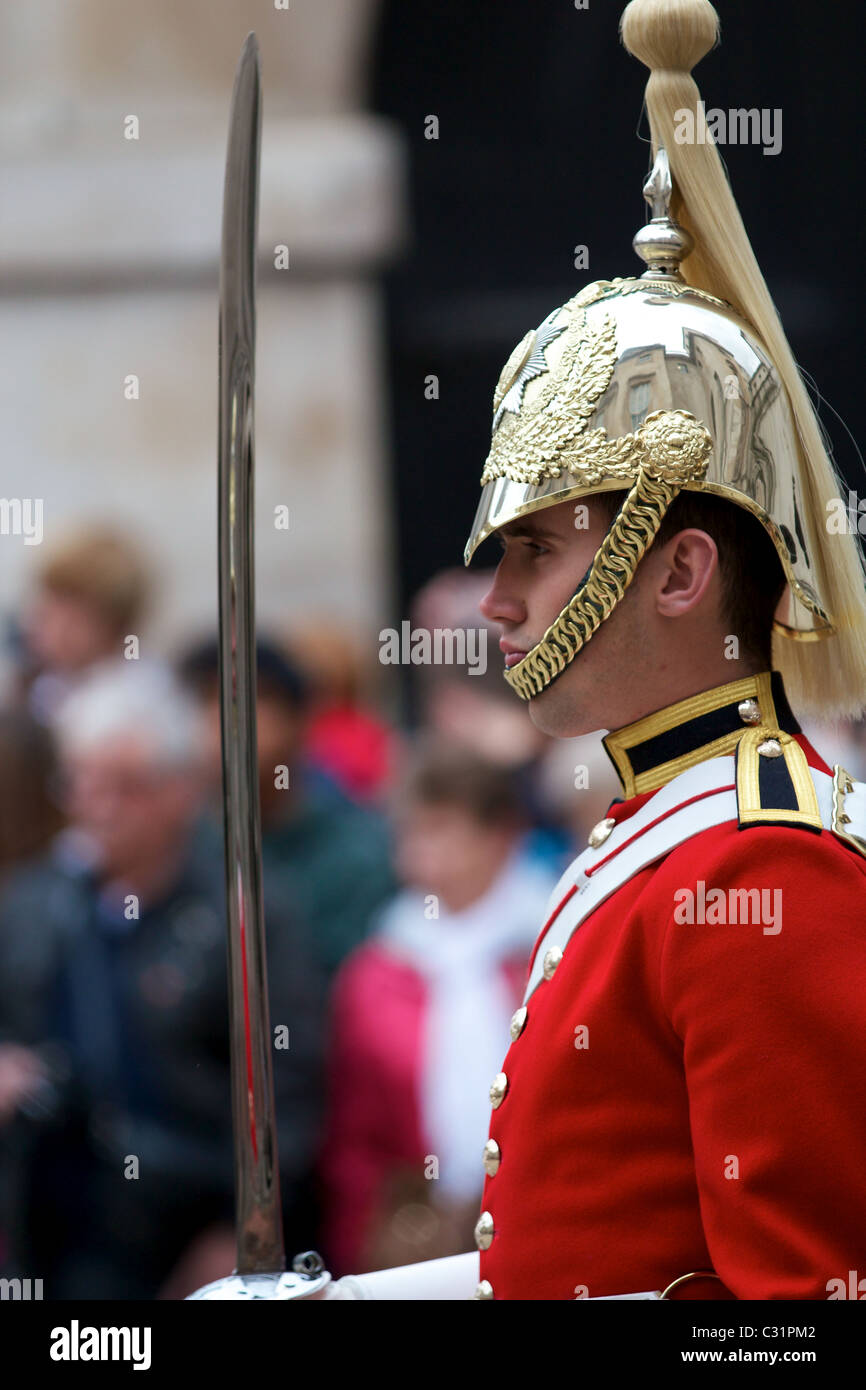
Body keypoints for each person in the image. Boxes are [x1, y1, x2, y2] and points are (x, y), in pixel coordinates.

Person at [305, 0, 866, 1300]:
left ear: (676, 569)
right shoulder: (657, 822)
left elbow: (792, 1309)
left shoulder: (761, 862)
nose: (495, 605)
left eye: (536, 553)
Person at [0, 663, 323, 1297]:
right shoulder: (33, 908)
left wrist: (242, 1240)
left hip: (195, 1234)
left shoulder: (249, 916)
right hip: (56, 1240)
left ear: (181, 790)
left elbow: (294, 1096)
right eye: (82, 783)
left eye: (126, 786)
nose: (98, 807)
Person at [319, 739, 557, 1275]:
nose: (419, 851)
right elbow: (355, 1136)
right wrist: (365, 1246)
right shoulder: (380, 965)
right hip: (419, 1230)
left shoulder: (554, 945)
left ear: (500, 836)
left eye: (441, 828)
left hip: (540, 1213)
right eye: (410, 830)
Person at [179, 636, 397, 980]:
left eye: (252, 697)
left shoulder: (361, 850)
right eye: (206, 699)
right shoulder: (183, 847)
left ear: (298, 719)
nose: (222, 718)